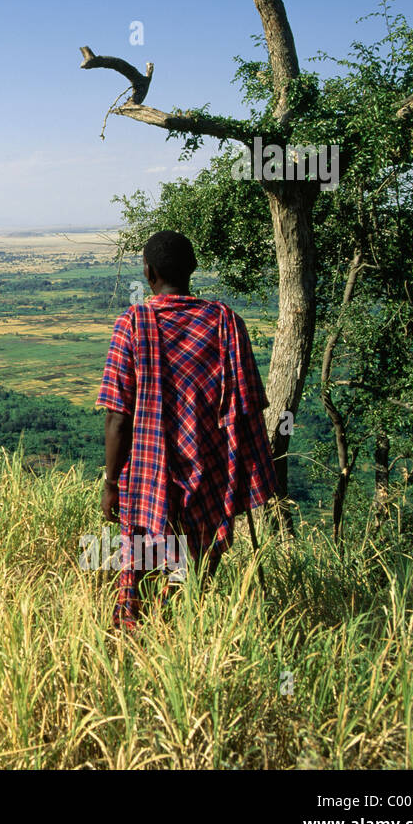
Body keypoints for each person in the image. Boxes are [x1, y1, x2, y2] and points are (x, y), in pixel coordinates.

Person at [95, 230, 277, 630]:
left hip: (146, 477)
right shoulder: (225, 322)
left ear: (148, 271)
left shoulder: (133, 323)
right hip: (209, 471)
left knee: (139, 569)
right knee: (192, 571)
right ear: (193, 269)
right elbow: (245, 412)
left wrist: (112, 483)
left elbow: (118, 418)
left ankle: (134, 638)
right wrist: (246, 478)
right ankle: (179, 636)